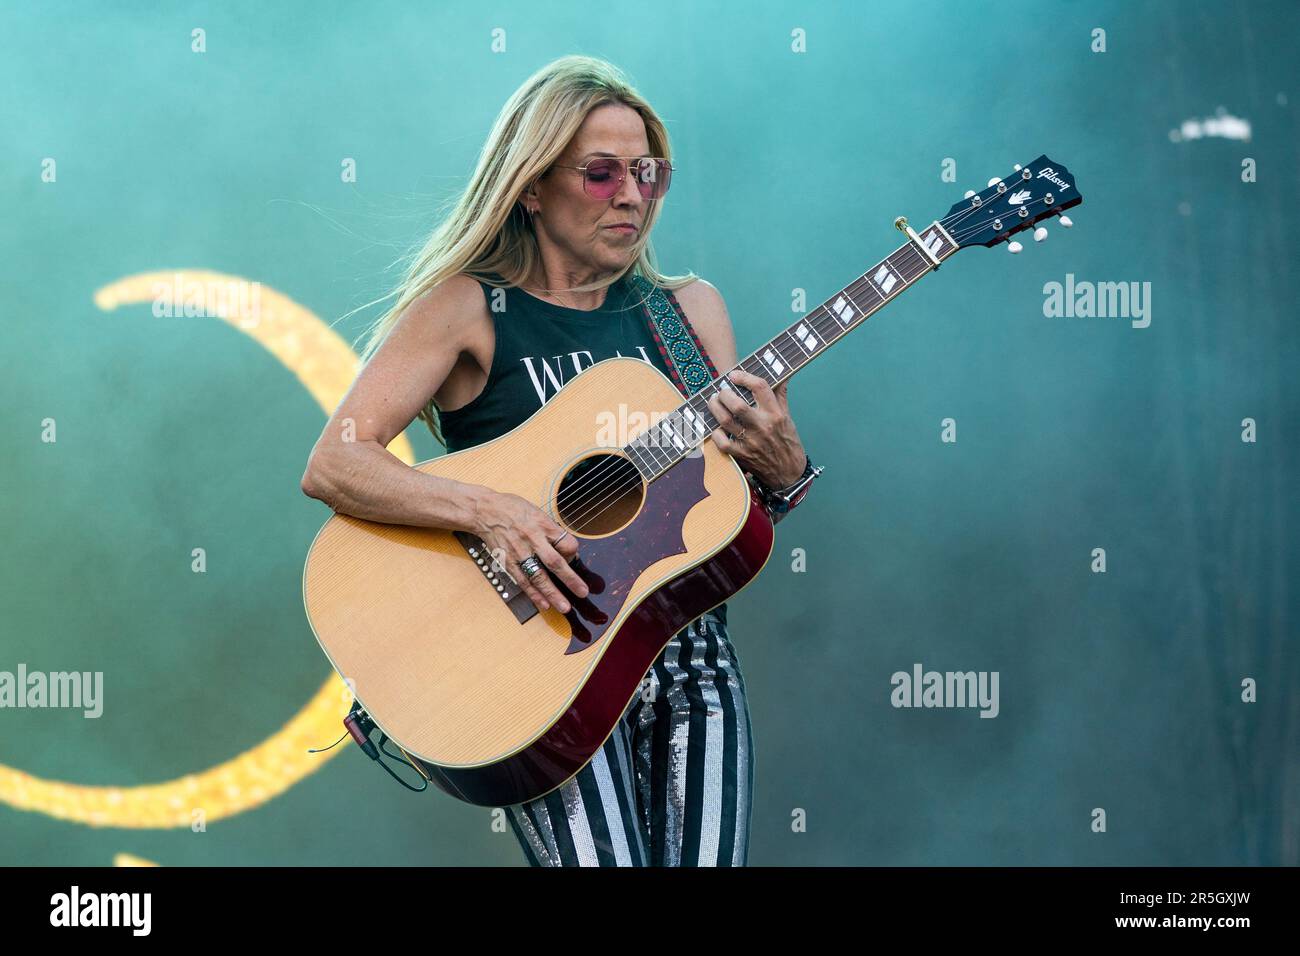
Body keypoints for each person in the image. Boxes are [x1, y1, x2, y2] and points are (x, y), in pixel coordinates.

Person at [300, 55, 817, 866]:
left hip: (689, 657)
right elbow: (336, 462)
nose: (632, 195)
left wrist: (786, 475)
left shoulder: (687, 312)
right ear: (532, 186)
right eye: (602, 172)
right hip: (541, 661)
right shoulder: (466, 306)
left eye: (649, 173)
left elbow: (731, 509)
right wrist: (492, 511)